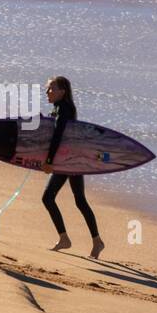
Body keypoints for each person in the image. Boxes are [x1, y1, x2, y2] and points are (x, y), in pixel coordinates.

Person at [40, 76, 104, 259]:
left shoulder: (64, 108)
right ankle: (95, 241)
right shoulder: (60, 108)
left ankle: (67, 239)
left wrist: (49, 160)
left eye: (51, 88)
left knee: (49, 197)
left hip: (68, 161)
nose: (47, 92)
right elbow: (55, 130)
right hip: (71, 159)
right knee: (79, 200)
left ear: (62, 91)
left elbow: (58, 135)